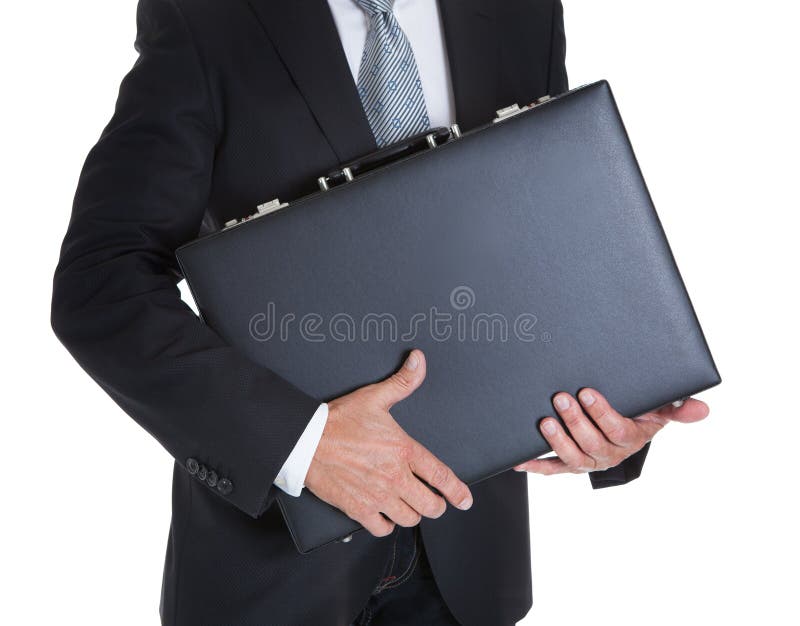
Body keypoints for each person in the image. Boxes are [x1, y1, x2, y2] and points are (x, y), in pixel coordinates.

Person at [51, 1, 710, 625]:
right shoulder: (208, 16)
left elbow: (547, 230)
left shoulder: (522, 8)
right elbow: (101, 282)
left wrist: (614, 403)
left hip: (469, 573)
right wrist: (299, 444)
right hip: (273, 574)